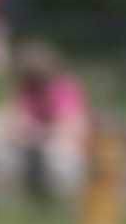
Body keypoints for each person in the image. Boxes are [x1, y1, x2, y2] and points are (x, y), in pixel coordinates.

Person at [9, 38, 90, 203]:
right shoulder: (26, 89)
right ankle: (34, 198)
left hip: (64, 146)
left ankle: (65, 198)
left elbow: (71, 127)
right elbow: (16, 120)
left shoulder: (64, 88)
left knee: (59, 155)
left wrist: (37, 133)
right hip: (37, 142)